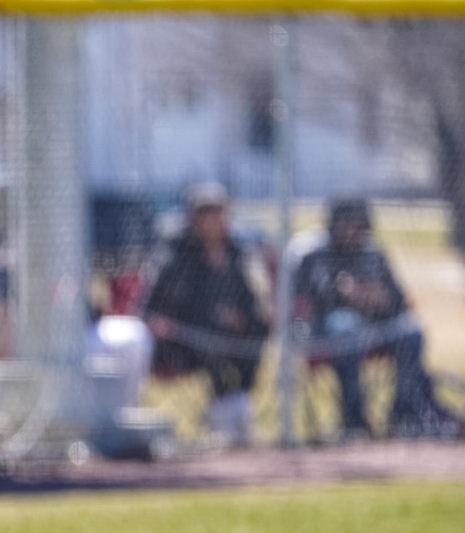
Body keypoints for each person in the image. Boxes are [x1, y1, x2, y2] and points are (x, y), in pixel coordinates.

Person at [292, 199, 457, 439]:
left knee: (411, 331)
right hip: (329, 332)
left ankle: (402, 410)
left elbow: (398, 301)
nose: (352, 231)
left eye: (357, 225)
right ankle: (354, 418)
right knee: (344, 323)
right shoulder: (316, 255)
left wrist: (371, 297)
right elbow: (311, 302)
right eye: (346, 225)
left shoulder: (372, 254)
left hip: (377, 326)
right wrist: (344, 296)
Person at [142, 182, 269, 445]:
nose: (212, 222)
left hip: (231, 336)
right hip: (180, 340)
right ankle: (224, 413)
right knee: (208, 333)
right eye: (205, 215)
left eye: (217, 214)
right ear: (192, 218)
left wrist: (241, 316)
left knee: (258, 329)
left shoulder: (238, 252)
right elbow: (155, 305)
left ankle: (238, 401)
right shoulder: (175, 251)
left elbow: (256, 300)